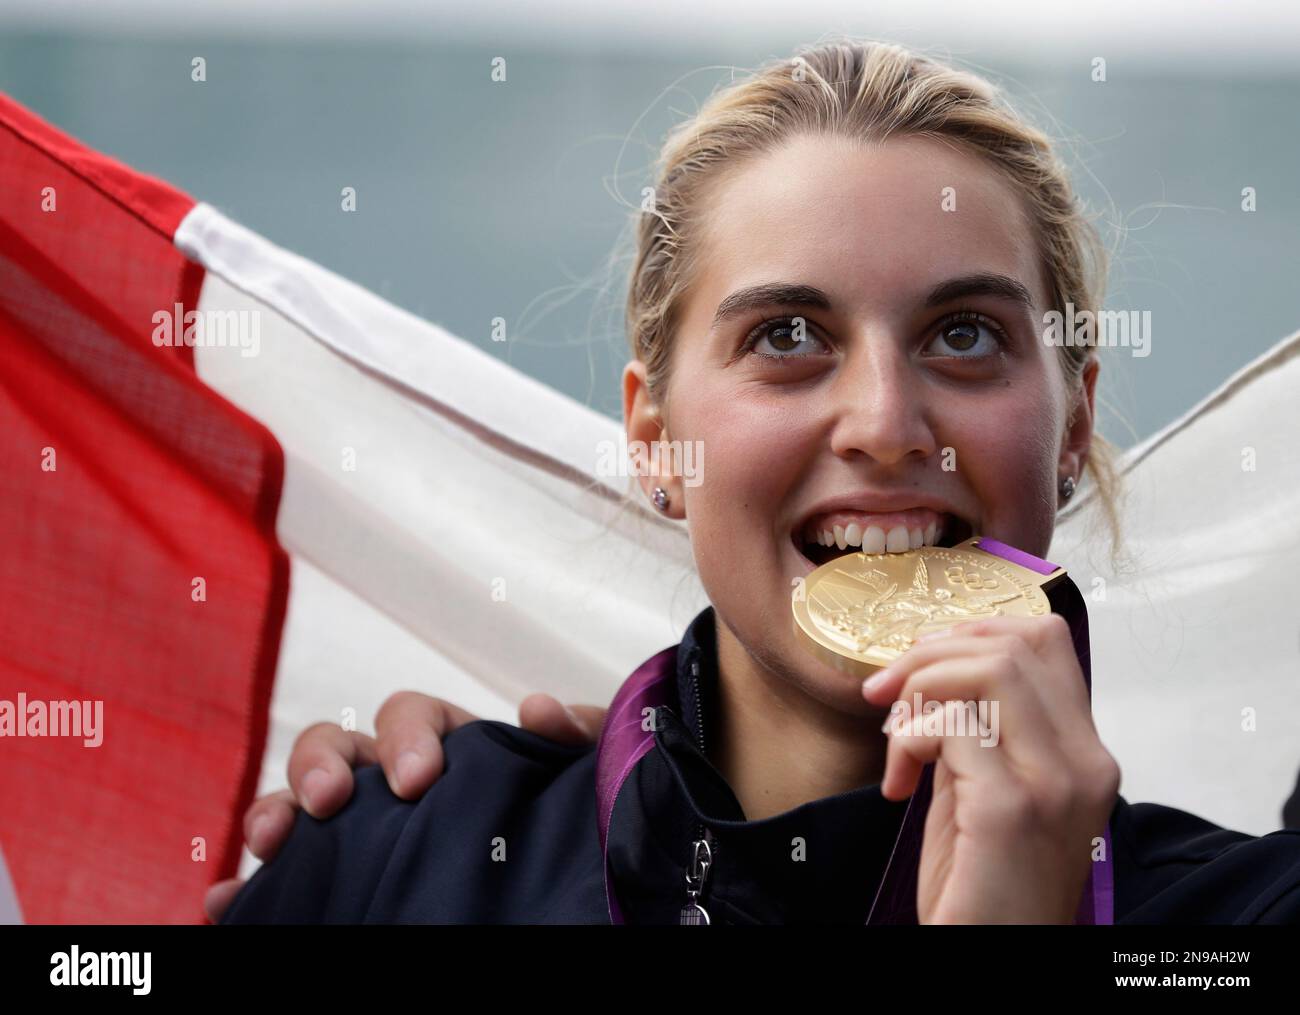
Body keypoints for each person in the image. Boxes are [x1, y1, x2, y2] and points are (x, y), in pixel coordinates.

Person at [211, 38, 1300, 925]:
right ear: (654, 439)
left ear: (1074, 427)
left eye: (964, 333)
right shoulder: (402, 859)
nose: (884, 425)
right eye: (787, 335)